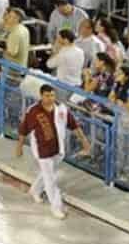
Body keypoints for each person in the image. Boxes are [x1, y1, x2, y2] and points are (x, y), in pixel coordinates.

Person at [15, 84, 93, 220]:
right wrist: (19, 146)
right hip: (42, 150)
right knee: (50, 178)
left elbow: (74, 126)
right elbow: (23, 129)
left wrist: (84, 142)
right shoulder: (33, 111)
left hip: (58, 149)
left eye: (52, 95)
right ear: (41, 96)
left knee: (47, 174)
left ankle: (35, 190)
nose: (50, 98)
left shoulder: (62, 109)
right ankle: (57, 207)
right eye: (47, 95)